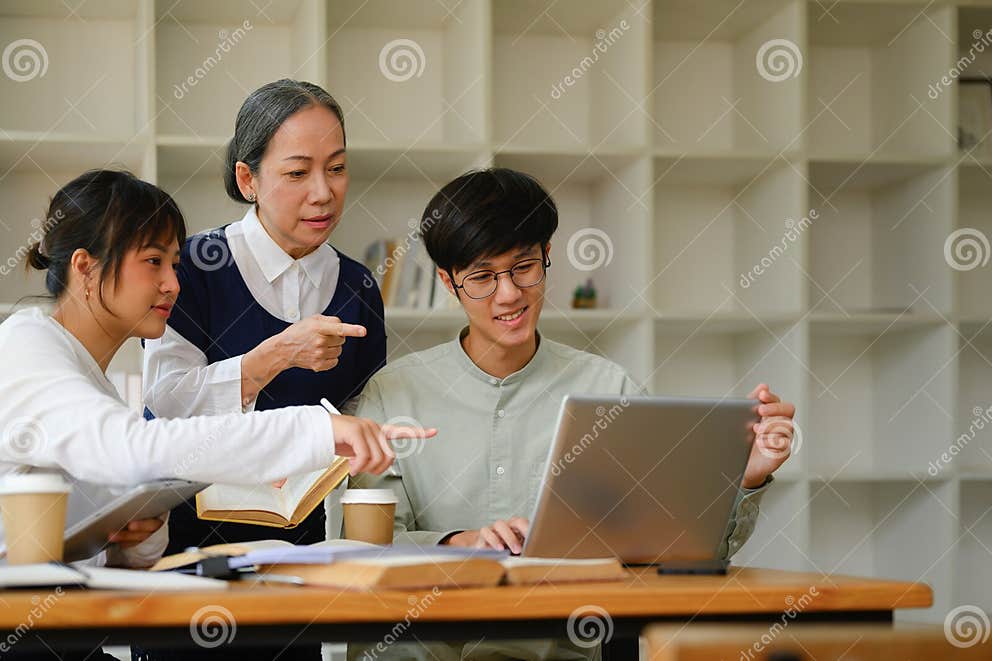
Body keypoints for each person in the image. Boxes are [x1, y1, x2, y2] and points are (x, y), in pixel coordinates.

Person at [348, 168, 796, 660]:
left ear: (547, 259)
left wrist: (746, 479)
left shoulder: (609, 391)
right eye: (481, 276)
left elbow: (677, 556)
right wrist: (461, 542)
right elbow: (362, 551)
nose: (509, 294)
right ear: (449, 282)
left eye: (524, 267)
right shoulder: (393, 394)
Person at [0, 169, 432, 660]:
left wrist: (137, 537)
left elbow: (104, 550)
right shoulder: (27, 345)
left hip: (57, 631)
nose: (172, 284)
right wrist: (316, 427)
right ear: (86, 268)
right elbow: (133, 451)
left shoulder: (88, 378)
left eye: (175, 264)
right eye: (153, 262)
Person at [142, 79, 388, 557]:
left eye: (336, 169)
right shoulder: (192, 267)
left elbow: (363, 421)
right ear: (247, 179)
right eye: (297, 173)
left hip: (311, 552)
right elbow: (164, 406)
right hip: (191, 550)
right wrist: (275, 355)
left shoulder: (357, 285)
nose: (323, 193)